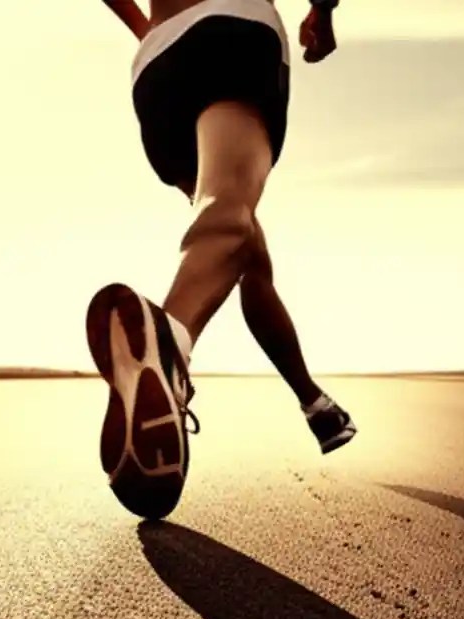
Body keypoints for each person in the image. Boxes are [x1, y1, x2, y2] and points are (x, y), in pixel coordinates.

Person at [85, 0, 357, 519]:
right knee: (229, 217)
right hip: (232, 31)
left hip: (156, 67)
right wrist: (322, 14)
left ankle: (314, 403)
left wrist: (146, 29)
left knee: (243, 245)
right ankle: (170, 345)